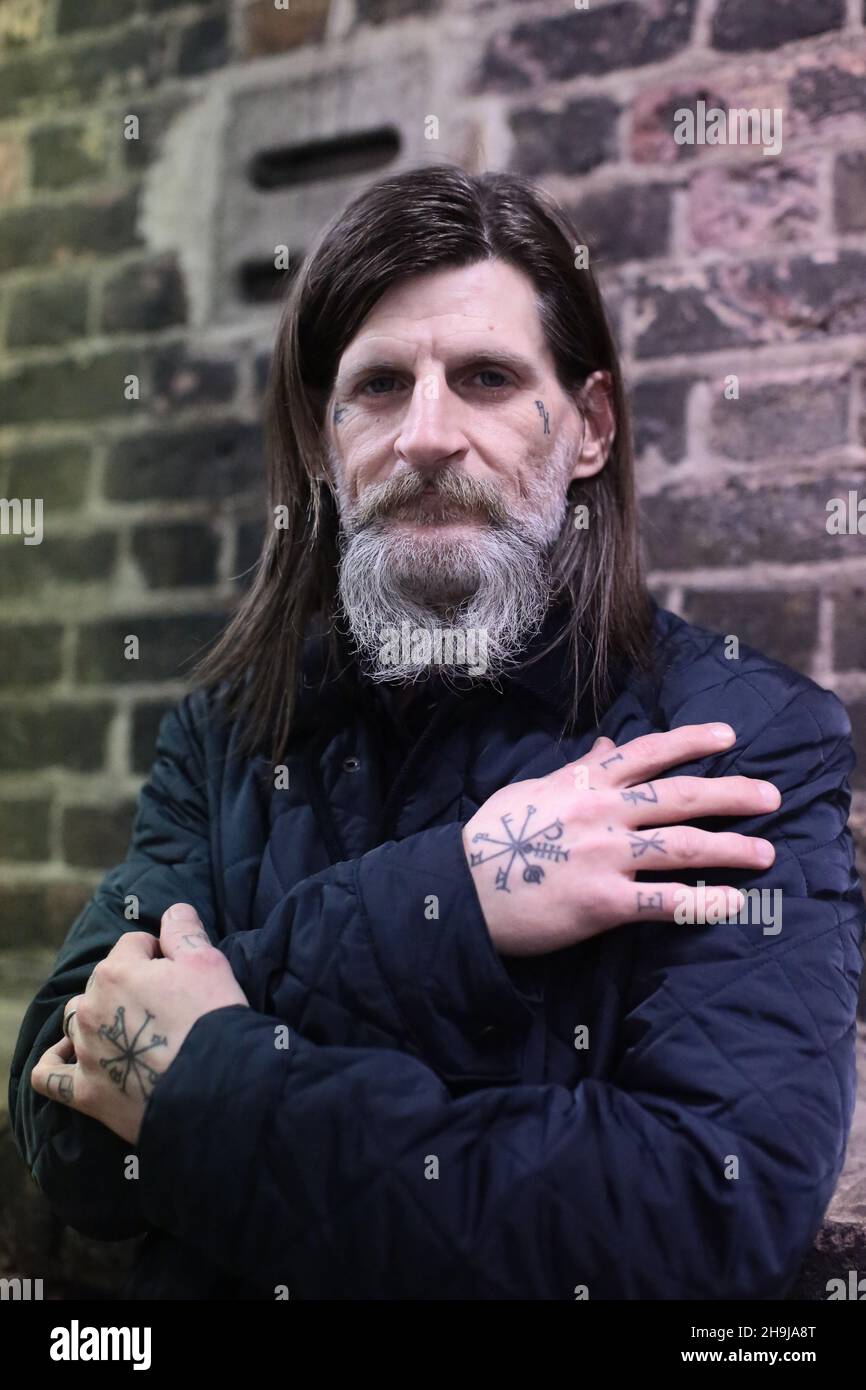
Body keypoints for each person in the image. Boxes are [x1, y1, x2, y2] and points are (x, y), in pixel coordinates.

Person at [9, 164, 865, 1300]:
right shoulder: (226, 735)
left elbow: (697, 1212)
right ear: (323, 447)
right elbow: (64, 1116)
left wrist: (197, 1070)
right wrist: (450, 902)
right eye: (375, 386)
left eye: (485, 377)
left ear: (589, 428)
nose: (425, 435)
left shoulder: (736, 741)